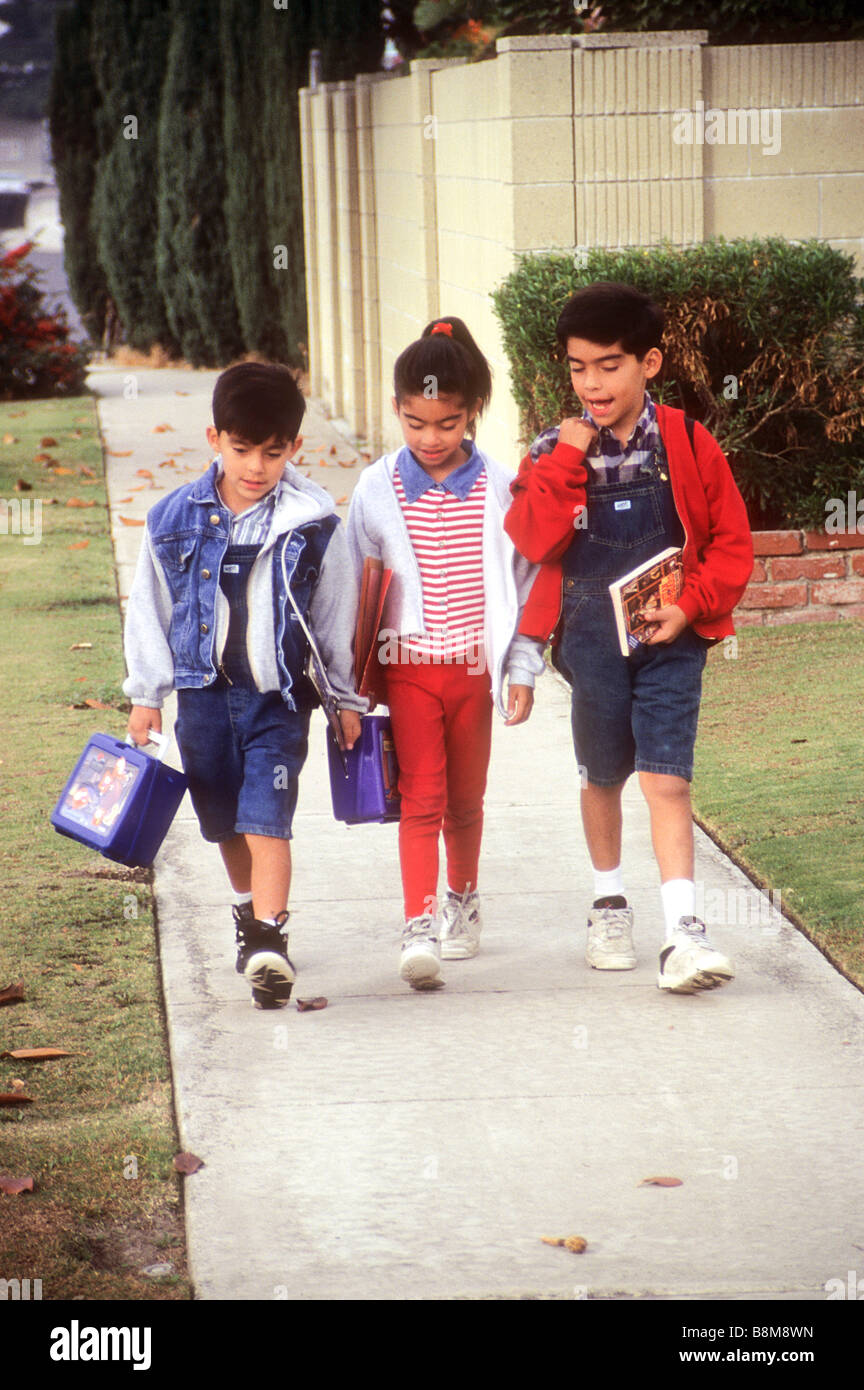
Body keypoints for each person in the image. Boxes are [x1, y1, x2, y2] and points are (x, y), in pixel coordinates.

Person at [504, 282, 754, 994]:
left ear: (650, 362)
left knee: (667, 778)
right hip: (586, 640)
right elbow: (532, 538)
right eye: (578, 367)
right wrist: (564, 461)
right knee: (602, 774)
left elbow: (732, 544)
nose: (592, 383)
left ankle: (684, 933)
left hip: (671, 636)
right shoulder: (552, 448)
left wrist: (691, 607)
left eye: (609, 365)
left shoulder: (687, 440)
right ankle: (609, 903)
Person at [123, 361, 364, 1009]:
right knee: (223, 821)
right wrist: (147, 693)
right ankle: (247, 914)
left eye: (273, 452)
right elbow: (153, 610)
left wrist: (342, 697)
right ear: (213, 439)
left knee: (268, 818)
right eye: (241, 449)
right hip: (201, 698)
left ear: (294, 447)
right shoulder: (172, 519)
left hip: (276, 700)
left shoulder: (313, 521)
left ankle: (270, 940)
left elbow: (333, 616)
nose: (256, 466)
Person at [347, 317, 544, 989]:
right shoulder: (376, 488)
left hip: (472, 673)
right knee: (420, 794)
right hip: (408, 670)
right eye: (414, 422)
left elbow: (525, 583)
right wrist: (348, 690)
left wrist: (520, 668)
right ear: (397, 410)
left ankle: (463, 898)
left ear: (473, 413)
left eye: (448, 423)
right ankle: (418, 921)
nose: (431, 439)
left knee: (466, 797)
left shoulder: (500, 485)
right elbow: (352, 585)